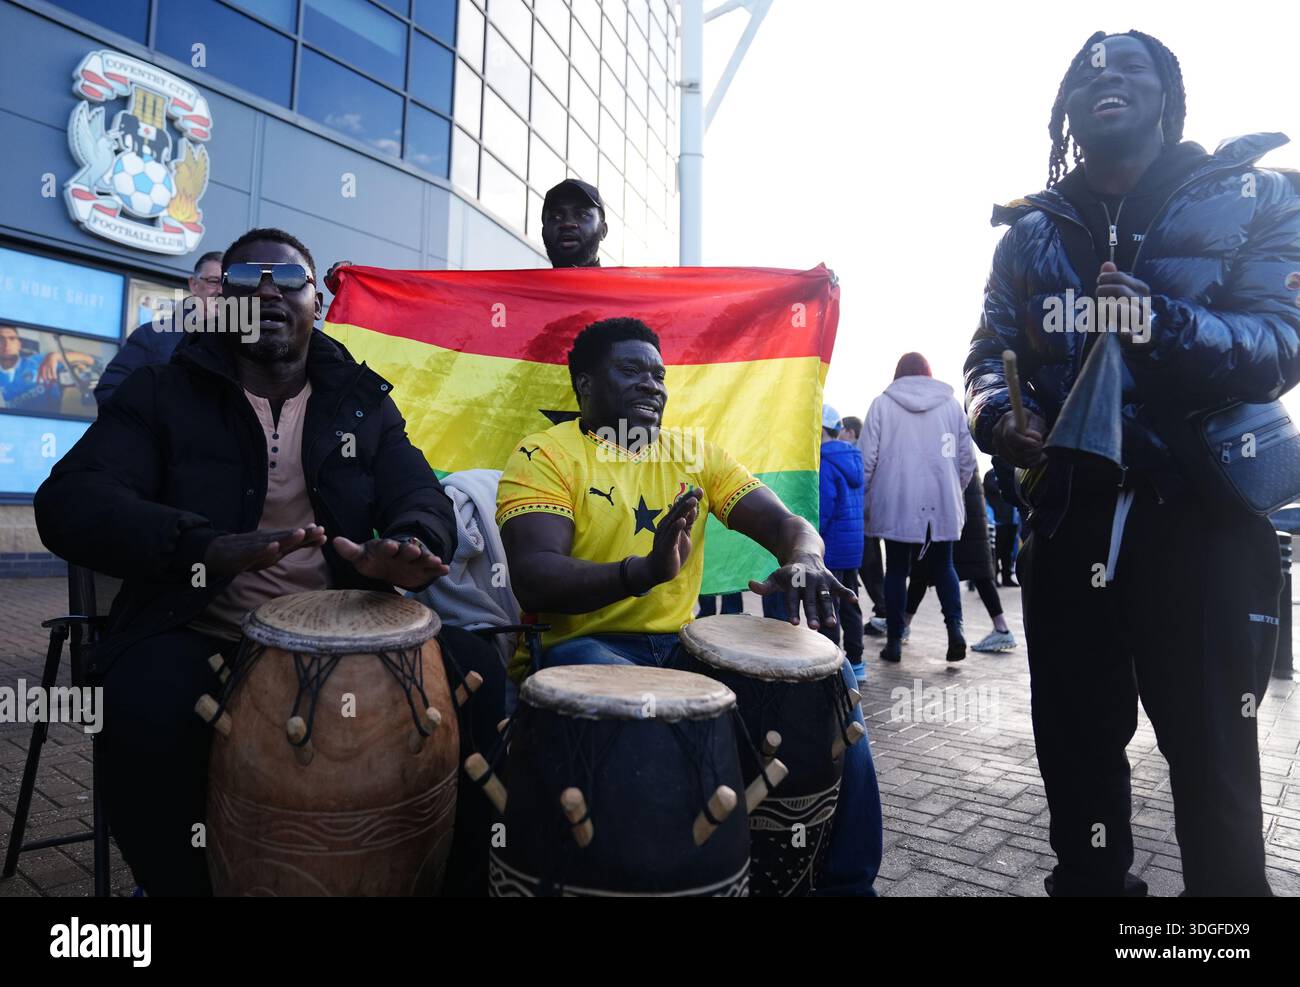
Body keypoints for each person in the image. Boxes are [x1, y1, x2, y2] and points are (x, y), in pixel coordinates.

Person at [34, 227, 504, 896]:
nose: (266, 291)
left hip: (350, 632)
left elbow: (420, 495)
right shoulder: (162, 392)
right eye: (247, 277)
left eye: (287, 280)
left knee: (478, 675)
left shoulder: (362, 404)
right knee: (136, 705)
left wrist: (405, 547)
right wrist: (200, 545)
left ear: (319, 303)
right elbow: (71, 500)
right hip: (204, 627)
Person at [965, 30, 1300, 897]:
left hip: (1200, 516)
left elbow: (1279, 346)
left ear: (1169, 96)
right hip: (1070, 513)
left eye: (1131, 67)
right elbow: (985, 354)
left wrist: (1166, 324)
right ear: (1069, 107)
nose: (1105, 76)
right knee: (1076, 752)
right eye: (1088, 70)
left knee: (1214, 758)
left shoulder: (1251, 197)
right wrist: (1002, 417)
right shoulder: (1029, 232)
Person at [497, 317, 882, 895]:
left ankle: (848, 887)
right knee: (666, 731)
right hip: (581, 651)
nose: (652, 385)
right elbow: (536, 577)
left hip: (682, 648)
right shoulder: (545, 455)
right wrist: (641, 573)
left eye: (658, 374)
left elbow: (787, 523)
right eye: (631, 370)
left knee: (830, 701)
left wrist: (804, 556)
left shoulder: (693, 453)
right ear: (584, 385)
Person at [859, 352, 976, 663]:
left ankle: (895, 640)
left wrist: (868, 498)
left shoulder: (882, 405)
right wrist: (952, 489)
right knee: (944, 565)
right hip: (942, 498)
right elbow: (966, 460)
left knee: (896, 569)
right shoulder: (951, 406)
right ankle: (955, 630)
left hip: (896, 498)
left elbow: (866, 460)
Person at [325, 178, 609, 290]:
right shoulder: (517, 298)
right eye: (556, 216)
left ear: (603, 230)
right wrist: (362, 290)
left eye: (582, 214)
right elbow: (433, 311)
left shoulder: (637, 302)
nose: (567, 223)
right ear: (544, 230)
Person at [901, 471, 1017, 653]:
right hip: (970, 505)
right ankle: (1001, 627)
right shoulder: (964, 444)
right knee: (977, 569)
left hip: (949, 505)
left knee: (926, 567)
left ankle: (905, 626)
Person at [95, 251, 224, 405]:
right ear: (194, 285)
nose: (221, 290)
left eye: (228, 283)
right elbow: (108, 391)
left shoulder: (242, 345)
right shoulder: (152, 335)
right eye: (213, 281)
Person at [818, 404, 866, 681]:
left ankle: (831, 664)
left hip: (831, 547)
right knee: (851, 604)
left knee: (828, 607)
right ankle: (857, 663)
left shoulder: (825, 462)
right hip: (853, 548)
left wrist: (812, 535)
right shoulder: (853, 457)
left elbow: (825, 508)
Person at [841, 414, 888, 636]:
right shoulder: (861, 454)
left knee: (870, 571)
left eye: (842, 429)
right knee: (871, 571)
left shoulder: (854, 455)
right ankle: (883, 611)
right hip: (866, 521)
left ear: (850, 432)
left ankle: (883, 612)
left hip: (859, 523)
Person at [0, 325, 95, 409]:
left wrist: (56, 356)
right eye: (1, 339)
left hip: (56, 423)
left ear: (19, 344)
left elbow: (89, 360)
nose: (7, 344)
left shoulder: (39, 360)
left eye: (12, 338)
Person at [983, 464, 1018, 586]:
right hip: (998, 521)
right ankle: (994, 577)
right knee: (996, 551)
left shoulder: (1014, 471)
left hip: (1012, 519)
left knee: (1008, 551)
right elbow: (991, 489)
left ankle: (1006, 578)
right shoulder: (990, 475)